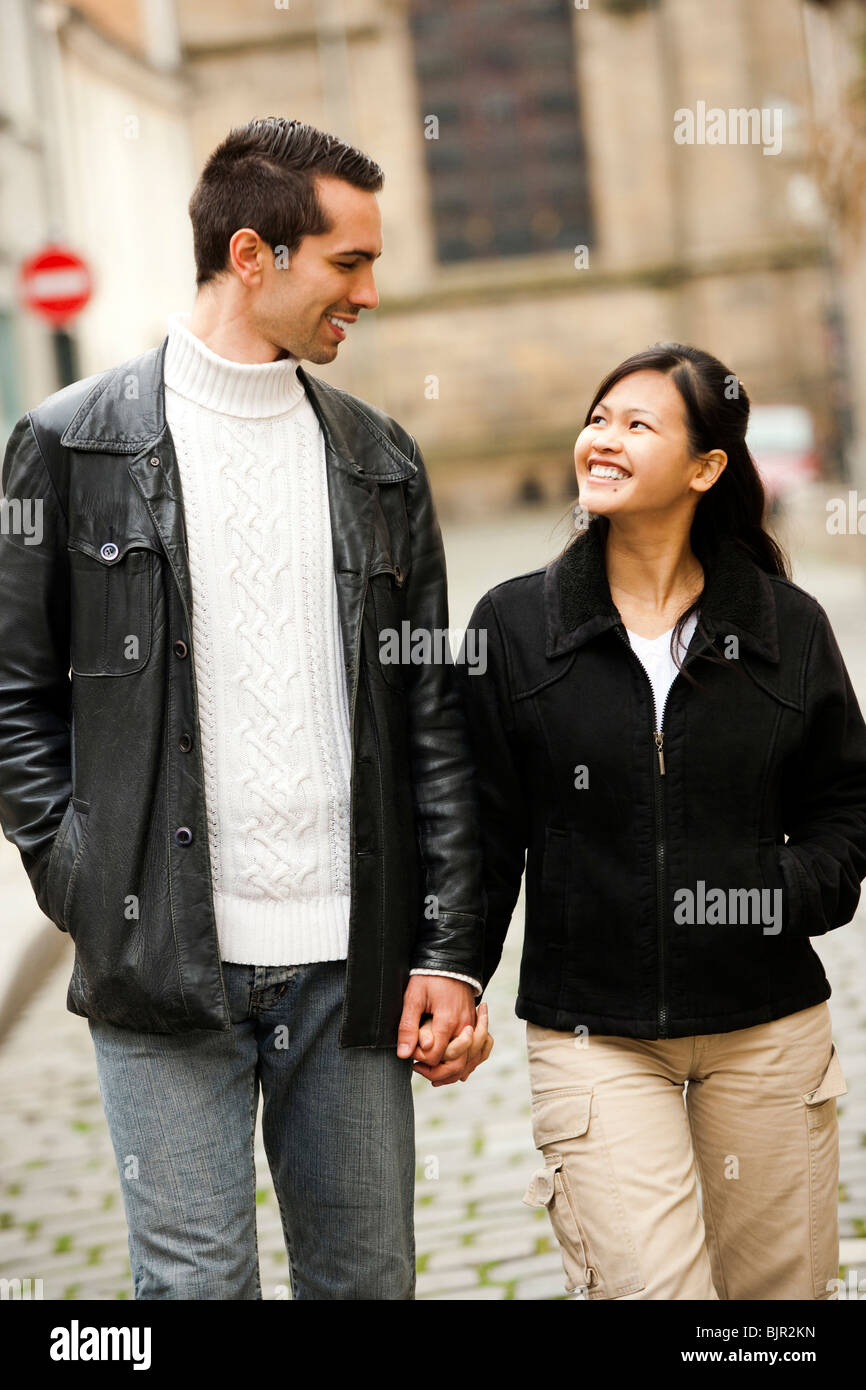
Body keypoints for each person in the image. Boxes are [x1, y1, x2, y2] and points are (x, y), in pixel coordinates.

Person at [0, 116, 491, 1301]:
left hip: (351, 964)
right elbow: (16, 697)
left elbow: (431, 720)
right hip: (160, 960)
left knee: (367, 1281)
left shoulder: (381, 460)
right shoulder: (71, 446)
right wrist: (83, 872)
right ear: (253, 254)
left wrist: (449, 950)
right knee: (192, 1288)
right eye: (349, 262)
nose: (370, 293)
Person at [455, 342, 866, 1300]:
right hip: (595, 1036)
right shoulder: (514, 628)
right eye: (599, 417)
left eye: (638, 424)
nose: (604, 439)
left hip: (766, 1028)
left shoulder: (785, 626)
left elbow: (846, 807)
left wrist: (766, 899)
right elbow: (481, 827)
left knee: (779, 1315)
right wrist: (455, 973)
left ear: (705, 467)